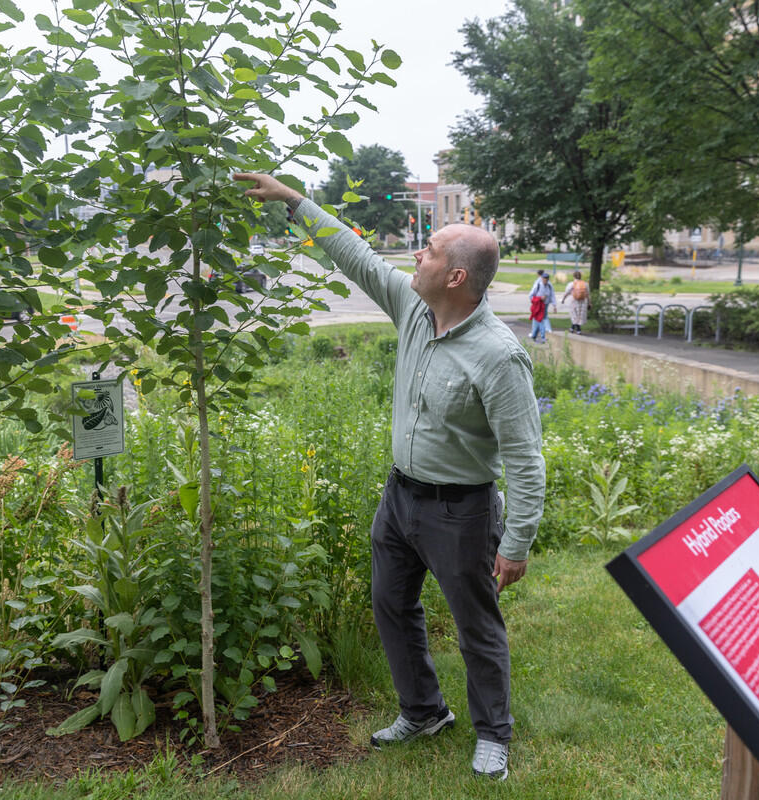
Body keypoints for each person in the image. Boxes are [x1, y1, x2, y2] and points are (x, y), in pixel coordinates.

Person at [233, 172, 545, 782]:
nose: (415, 256)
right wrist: (296, 202)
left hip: (462, 512)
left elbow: (525, 456)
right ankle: (424, 711)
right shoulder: (412, 304)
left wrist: (518, 543)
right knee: (391, 606)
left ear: (456, 276)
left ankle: (493, 735)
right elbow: (357, 255)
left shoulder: (499, 356)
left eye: (428, 252)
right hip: (400, 497)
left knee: (476, 626)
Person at [528, 272, 556, 342]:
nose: (545, 280)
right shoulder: (538, 285)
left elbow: (552, 295)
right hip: (538, 305)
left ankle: (536, 334)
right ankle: (545, 333)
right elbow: (531, 295)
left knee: (539, 319)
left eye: (546, 279)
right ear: (542, 278)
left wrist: (554, 305)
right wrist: (539, 299)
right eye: (544, 279)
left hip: (545, 305)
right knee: (539, 319)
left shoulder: (549, 286)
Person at [560, 269, 589, 334]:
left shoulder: (571, 284)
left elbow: (566, 293)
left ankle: (578, 330)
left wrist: (563, 299)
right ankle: (572, 328)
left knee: (574, 315)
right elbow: (588, 294)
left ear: (573, 276)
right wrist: (590, 302)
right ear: (580, 276)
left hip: (574, 301)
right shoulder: (585, 284)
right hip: (583, 301)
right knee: (579, 316)